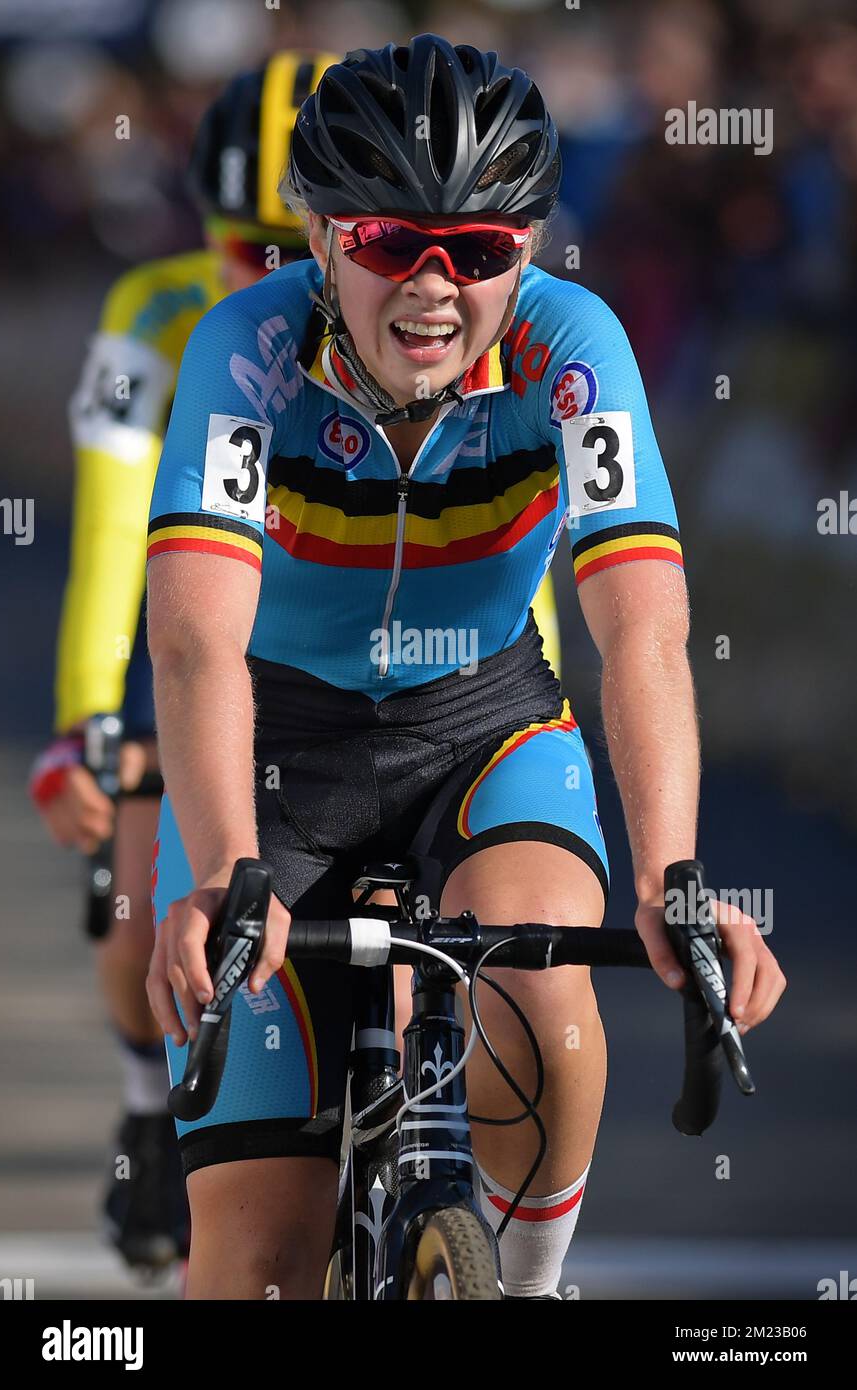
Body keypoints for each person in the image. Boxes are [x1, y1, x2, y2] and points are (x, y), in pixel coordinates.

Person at [146, 34, 785, 1300]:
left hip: (482, 722)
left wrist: (670, 873)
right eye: (391, 241)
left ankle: (525, 1287)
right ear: (321, 234)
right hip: (274, 749)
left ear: (527, 251)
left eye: (481, 252)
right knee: (257, 1259)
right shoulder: (243, 351)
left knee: (548, 1000)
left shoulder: (574, 348)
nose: (436, 286)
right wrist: (224, 869)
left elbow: (642, 626)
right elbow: (195, 638)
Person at [29, 50, 340, 1270]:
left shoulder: (404, 313)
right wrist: (81, 721)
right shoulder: (154, 313)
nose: (273, 275)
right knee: (131, 916)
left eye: (297, 241)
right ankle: (156, 1118)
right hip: (198, 641)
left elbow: (504, 560)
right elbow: (110, 535)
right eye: (244, 244)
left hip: (358, 660)